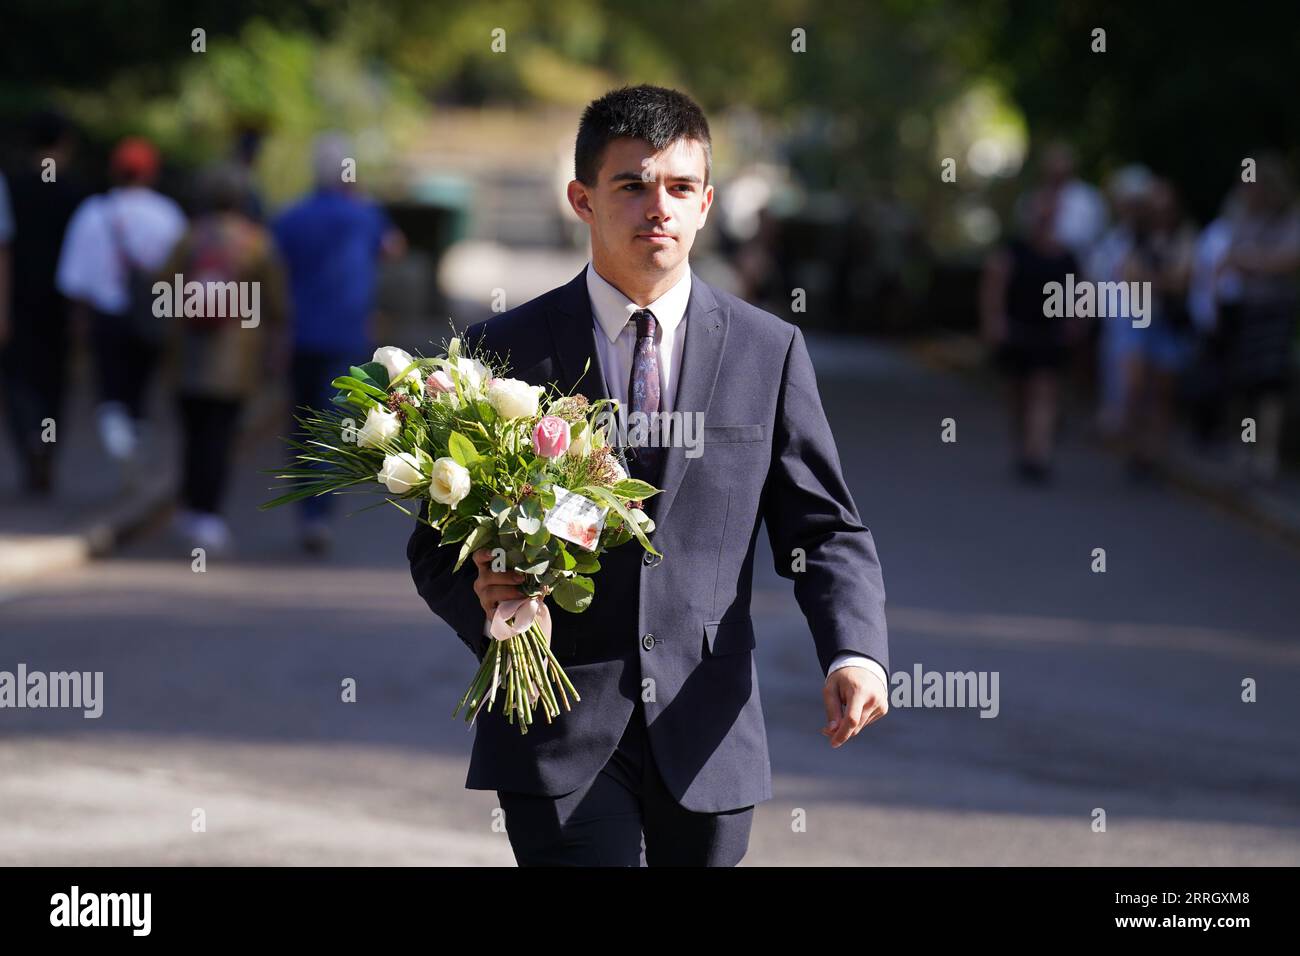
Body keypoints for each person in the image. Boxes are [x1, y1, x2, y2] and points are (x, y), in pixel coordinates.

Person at [407, 85, 890, 866]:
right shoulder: (500, 355)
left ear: (706, 203)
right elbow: (436, 548)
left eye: (678, 187)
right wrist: (488, 603)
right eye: (631, 185)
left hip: (708, 731)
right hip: (554, 721)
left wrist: (855, 650)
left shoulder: (769, 352)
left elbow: (824, 526)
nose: (656, 207)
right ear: (582, 199)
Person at [272, 132, 405, 553]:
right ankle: (319, 515)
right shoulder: (364, 215)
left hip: (298, 335)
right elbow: (394, 249)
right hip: (346, 334)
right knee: (333, 424)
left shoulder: (290, 217)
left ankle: (306, 510)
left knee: (300, 422)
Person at [161, 163, 287, 553]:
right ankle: (208, 515)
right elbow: (277, 303)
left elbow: (163, 288)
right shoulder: (256, 242)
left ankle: (188, 509)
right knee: (219, 438)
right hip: (236, 363)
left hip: (188, 356)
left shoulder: (188, 238)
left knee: (192, 434)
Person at [55, 137, 186, 486]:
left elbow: (74, 278)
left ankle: (119, 438)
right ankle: (135, 443)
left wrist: (78, 320)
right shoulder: (167, 215)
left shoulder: (92, 213)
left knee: (110, 387)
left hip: (106, 315)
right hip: (153, 314)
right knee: (141, 387)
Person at [0, 111, 89, 496]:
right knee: (53, 385)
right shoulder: (74, 192)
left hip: (16, 299)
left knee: (18, 381)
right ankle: (47, 451)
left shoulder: (13, 187)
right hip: (60, 303)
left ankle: (29, 448)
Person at [980, 188, 1082, 483]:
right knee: (1018, 394)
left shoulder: (1066, 256)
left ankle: (1039, 453)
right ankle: (1024, 445)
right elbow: (993, 286)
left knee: (1044, 390)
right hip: (1017, 331)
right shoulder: (1013, 251)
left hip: (1050, 334)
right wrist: (994, 322)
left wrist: (1076, 321)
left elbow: (1080, 293)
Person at [1219, 155, 1300, 483]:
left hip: (1276, 309)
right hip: (1248, 308)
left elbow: (1288, 261)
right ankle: (1246, 447)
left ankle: (1266, 455)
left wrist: (1252, 262)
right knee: (1246, 385)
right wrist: (1254, 261)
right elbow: (1230, 255)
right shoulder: (1245, 216)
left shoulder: (1291, 217)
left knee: (1270, 386)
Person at [1114, 178, 1198, 481]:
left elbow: (1181, 280)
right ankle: (1136, 446)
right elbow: (1129, 276)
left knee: (1163, 388)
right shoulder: (1135, 235)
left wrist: (1151, 279)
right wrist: (1163, 280)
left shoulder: (1184, 235)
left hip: (1168, 322)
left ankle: (1154, 453)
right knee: (1135, 385)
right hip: (1139, 317)